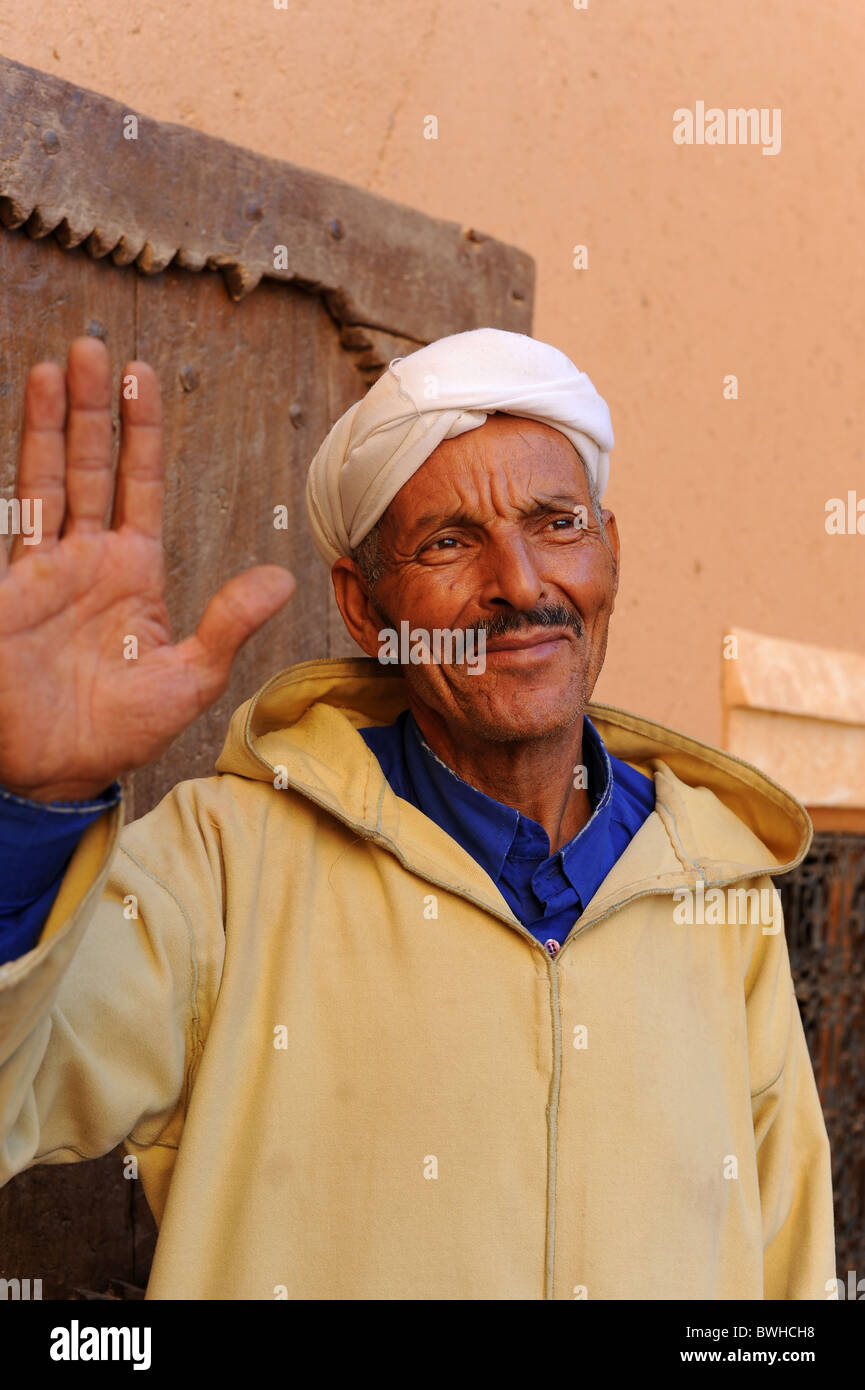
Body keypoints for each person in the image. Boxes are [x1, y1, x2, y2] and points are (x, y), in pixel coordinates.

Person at [0, 327, 835, 1300]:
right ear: (364, 607)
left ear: (611, 549)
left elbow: (787, 1274)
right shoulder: (225, 865)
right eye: (449, 542)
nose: (521, 585)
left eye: (557, 524)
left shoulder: (716, 880)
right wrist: (31, 809)